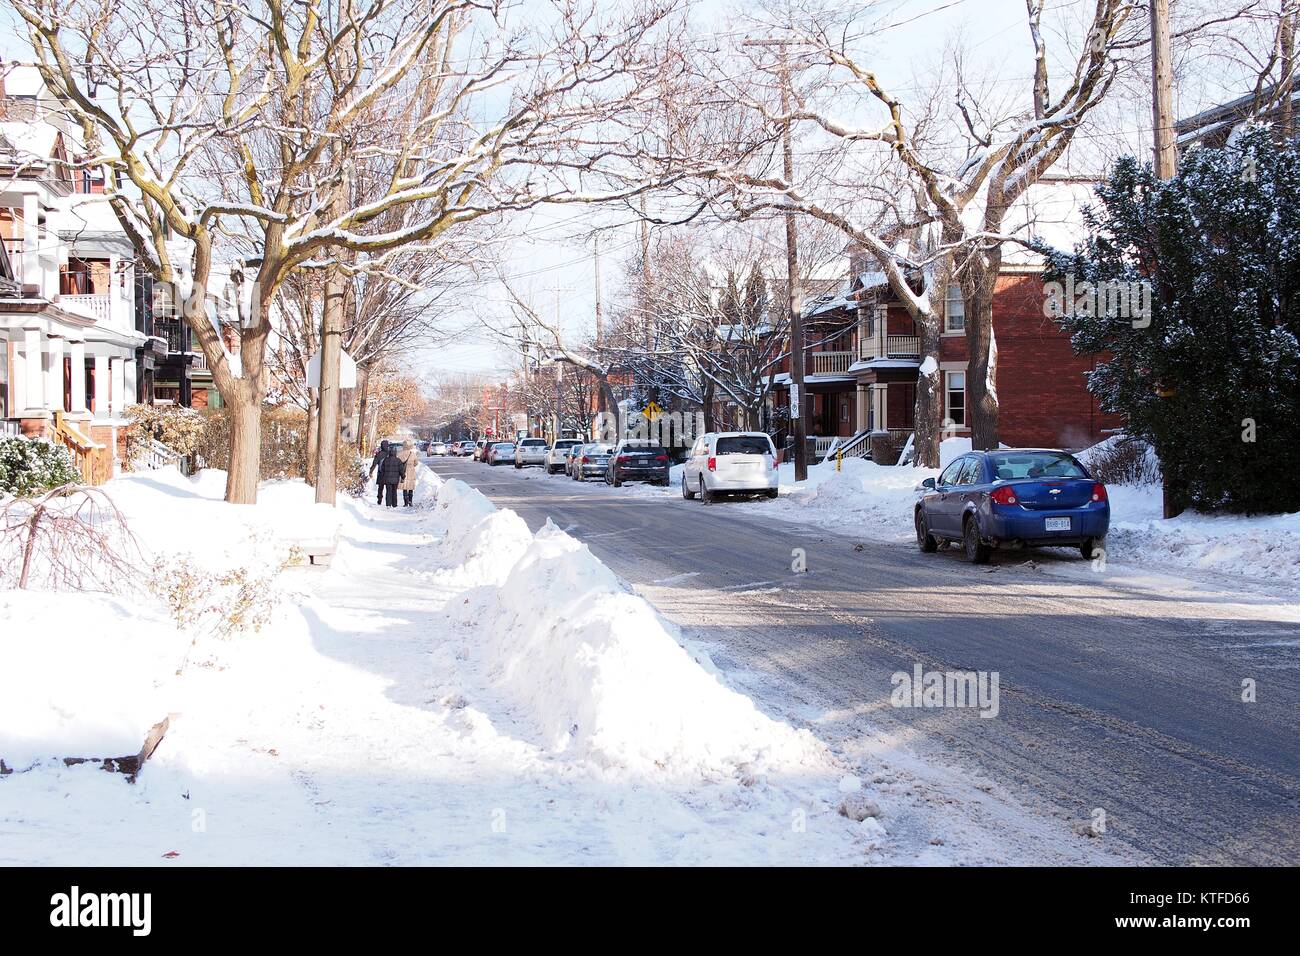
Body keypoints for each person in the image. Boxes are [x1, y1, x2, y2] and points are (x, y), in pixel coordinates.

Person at [377, 443, 404, 508]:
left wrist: (383, 476)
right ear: (395, 453)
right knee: (394, 491)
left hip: (387, 479)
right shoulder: (398, 461)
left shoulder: (385, 460)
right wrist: (403, 476)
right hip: (395, 479)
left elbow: (382, 469)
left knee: (388, 491)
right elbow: (401, 470)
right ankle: (394, 504)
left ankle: (388, 504)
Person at [396, 438, 419, 507]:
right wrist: (411, 465)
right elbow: (416, 463)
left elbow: (397, 463)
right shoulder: (413, 454)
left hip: (403, 471)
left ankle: (405, 502)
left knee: (405, 487)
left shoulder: (399, 454)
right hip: (411, 471)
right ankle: (410, 501)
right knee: (410, 487)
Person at [368, 440, 392, 505]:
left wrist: (371, 471)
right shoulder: (390, 453)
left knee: (380, 488)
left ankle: (379, 500)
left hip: (381, 473)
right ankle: (388, 501)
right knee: (388, 488)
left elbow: (374, 464)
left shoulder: (379, 454)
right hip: (389, 474)